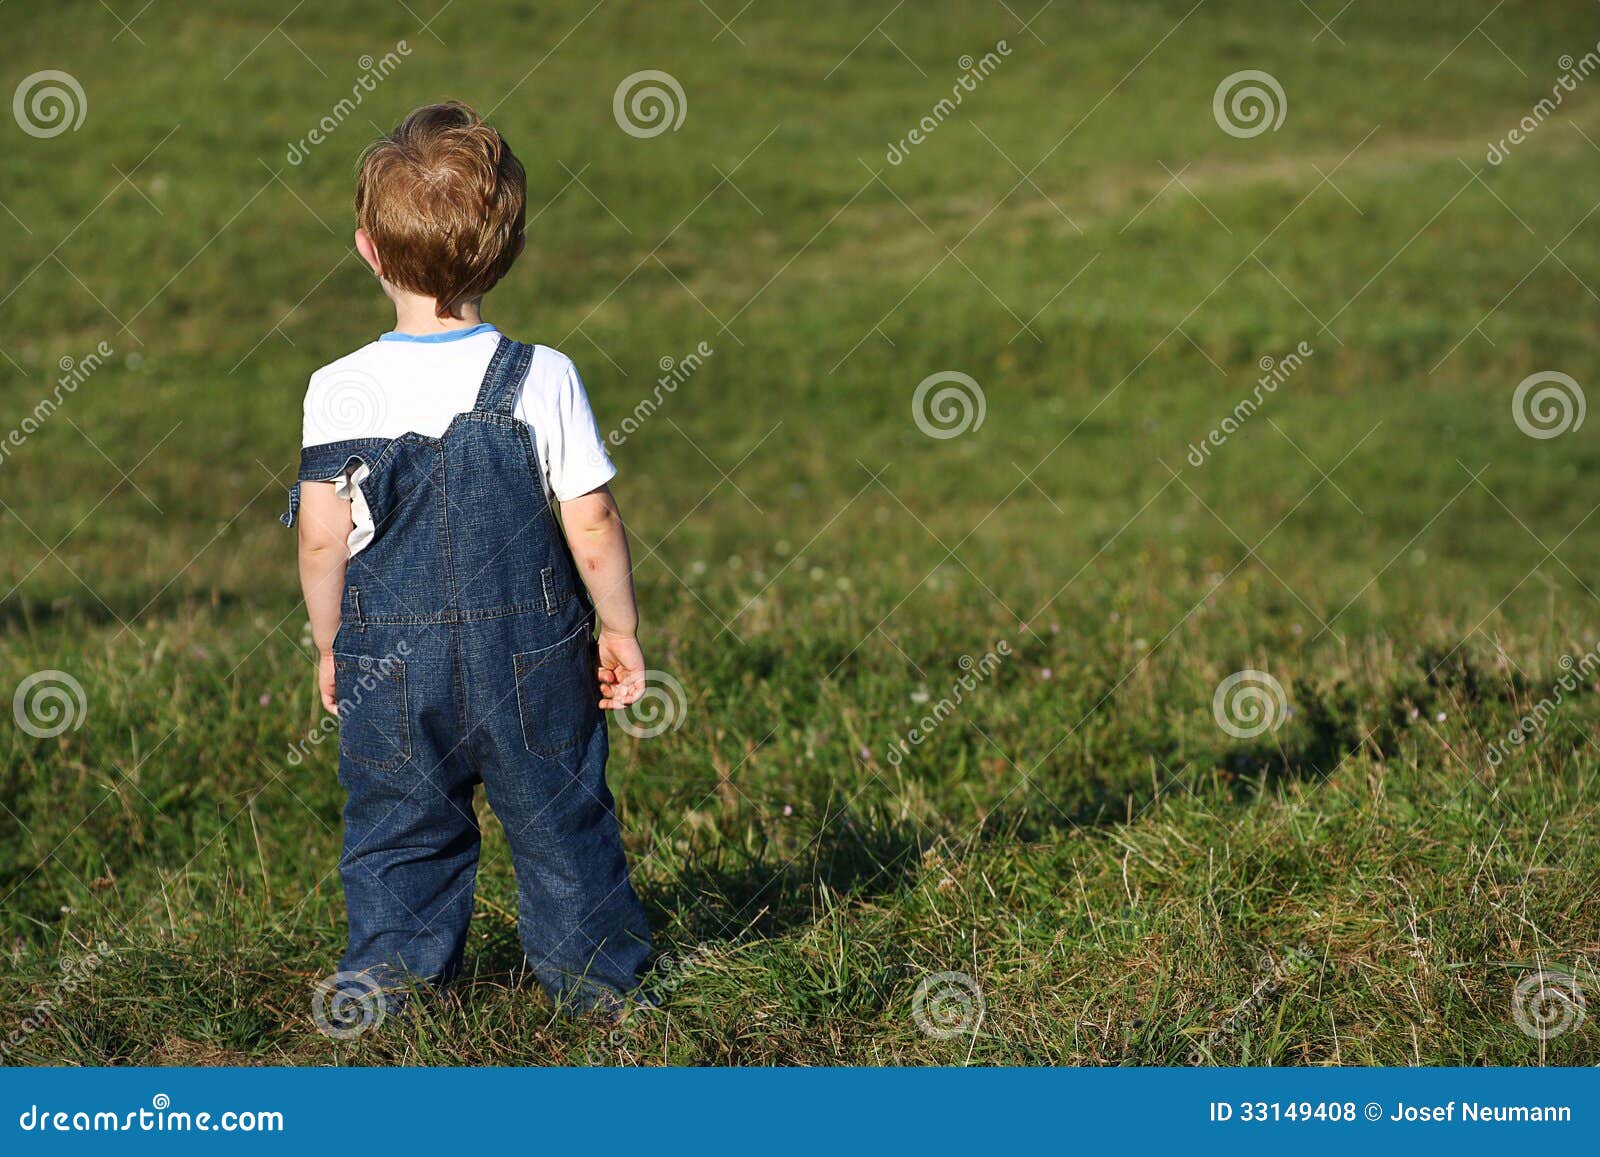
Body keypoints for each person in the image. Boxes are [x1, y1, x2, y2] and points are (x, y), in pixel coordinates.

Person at [283, 100, 651, 1015]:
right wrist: (618, 627)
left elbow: (322, 536)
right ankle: (601, 993)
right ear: (508, 248)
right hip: (534, 660)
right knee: (563, 824)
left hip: (391, 665)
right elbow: (593, 520)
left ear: (369, 250)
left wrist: (333, 644)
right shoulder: (544, 374)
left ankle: (386, 990)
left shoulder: (337, 387)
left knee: (399, 832)